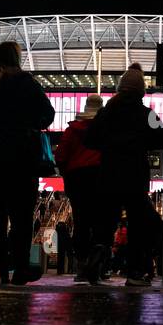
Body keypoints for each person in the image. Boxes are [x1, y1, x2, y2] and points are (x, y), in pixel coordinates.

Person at [0, 42, 56, 286]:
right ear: (17, 58)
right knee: (21, 216)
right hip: (21, 160)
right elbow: (49, 114)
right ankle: (21, 268)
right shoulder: (27, 84)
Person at [84, 64, 163, 286]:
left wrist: (109, 144)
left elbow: (89, 139)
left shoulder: (106, 113)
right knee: (138, 223)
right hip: (135, 173)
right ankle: (134, 273)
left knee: (106, 219)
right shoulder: (144, 114)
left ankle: (99, 249)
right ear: (141, 91)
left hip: (109, 172)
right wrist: (142, 142)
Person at [55, 93, 104, 283]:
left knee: (81, 222)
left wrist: (66, 172)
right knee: (99, 222)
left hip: (78, 179)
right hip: (100, 177)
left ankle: (82, 265)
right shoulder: (106, 129)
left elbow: (60, 155)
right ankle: (98, 266)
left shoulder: (73, 130)